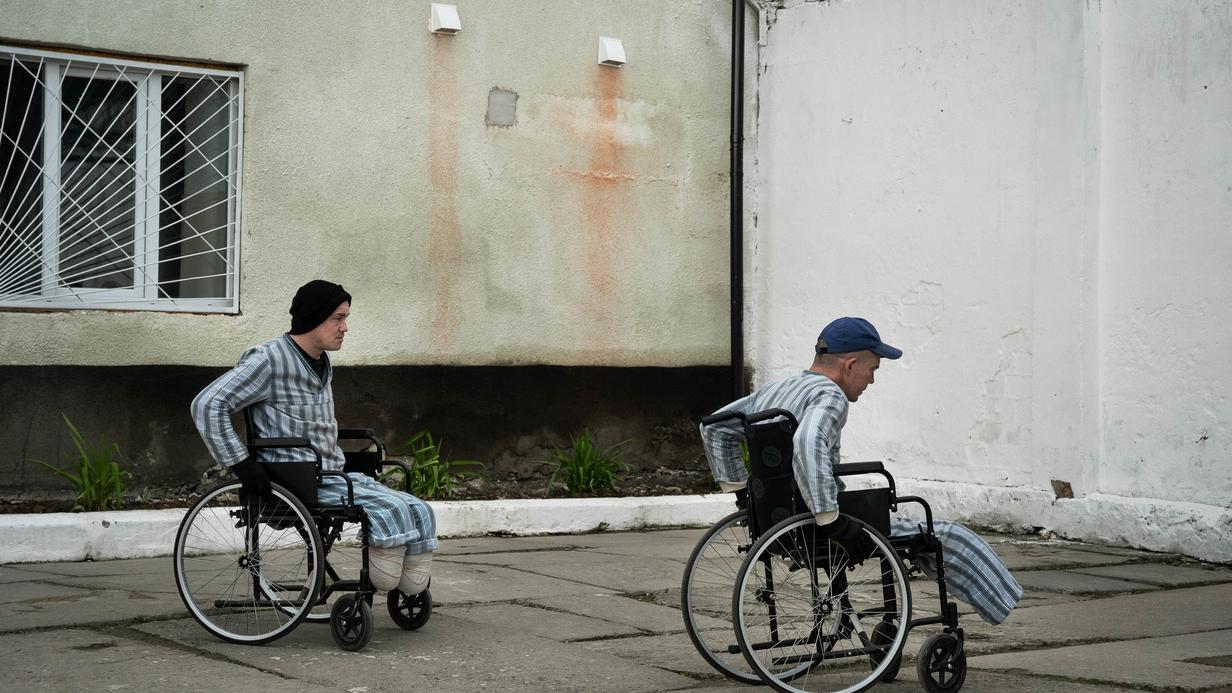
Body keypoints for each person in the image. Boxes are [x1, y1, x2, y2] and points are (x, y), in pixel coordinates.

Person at [701, 316, 1022, 624]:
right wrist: (831, 519)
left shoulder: (779, 389)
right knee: (946, 535)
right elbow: (808, 441)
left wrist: (743, 492)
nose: (872, 380)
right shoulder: (829, 395)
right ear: (850, 365)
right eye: (873, 369)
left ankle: (847, 614)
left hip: (780, 521)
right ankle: (1005, 604)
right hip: (818, 523)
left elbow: (714, 426)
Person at [191, 279, 436, 596]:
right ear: (313, 318)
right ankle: (383, 583)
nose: (345, 327)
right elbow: (208, 404)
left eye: (345, 318)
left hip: (332, 473)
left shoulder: (321, 362)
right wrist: (242, 464)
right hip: (296, 479)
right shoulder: (269, 360)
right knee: (391, 510)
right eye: (338, 318)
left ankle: (409, 590)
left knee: (420, 510)